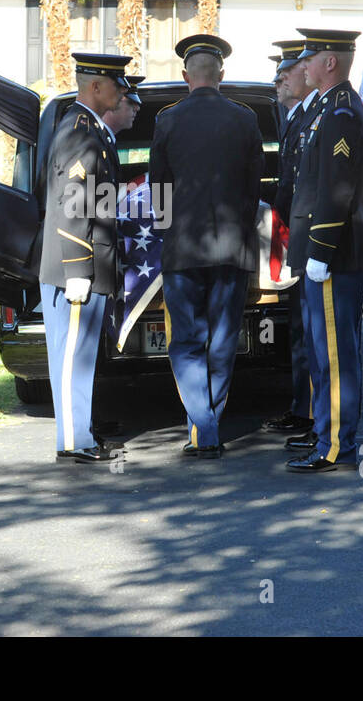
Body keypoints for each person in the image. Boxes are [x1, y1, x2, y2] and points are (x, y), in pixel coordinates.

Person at [149, 34, 262, 459]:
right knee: (222, 338)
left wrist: (164, 233)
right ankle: (211, 420)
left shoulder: (167, 120)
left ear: (185, 77)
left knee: (186, 342)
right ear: (222, 77)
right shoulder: (245, 119)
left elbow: (158, 187)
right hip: (233, 249)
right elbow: (254, 187)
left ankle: (205, 425)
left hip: (182, 249)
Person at [284, 29, 363, 472]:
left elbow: (337, 189)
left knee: (336, 355)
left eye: (311, 57)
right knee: (323, 354)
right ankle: (325, 435)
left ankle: (336, 444)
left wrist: (318, 249)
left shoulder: (340, 111)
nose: (304, 65)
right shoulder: (326, 107)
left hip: (335, 253)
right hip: (324, 252)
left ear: (331, 63)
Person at [38, 53, 129, 462]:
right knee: (73, 356)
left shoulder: (87, 129)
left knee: (74, 355)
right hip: (79, 268)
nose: (122, 92)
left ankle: (76, 435)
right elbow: (73, 205)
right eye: (116, 84)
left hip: (86, 265)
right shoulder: (80, 132)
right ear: (95, 87)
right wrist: (78, 269)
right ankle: (75, 442)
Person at [263, 38, 316, 435]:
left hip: (310, 240)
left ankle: (312, 416)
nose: (279, 80)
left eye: (286, 73)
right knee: (299, 332)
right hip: (294, 238)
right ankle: (304, 410)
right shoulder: (295, 118)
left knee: (310, 335)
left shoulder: (315, 117)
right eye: (278, 74)